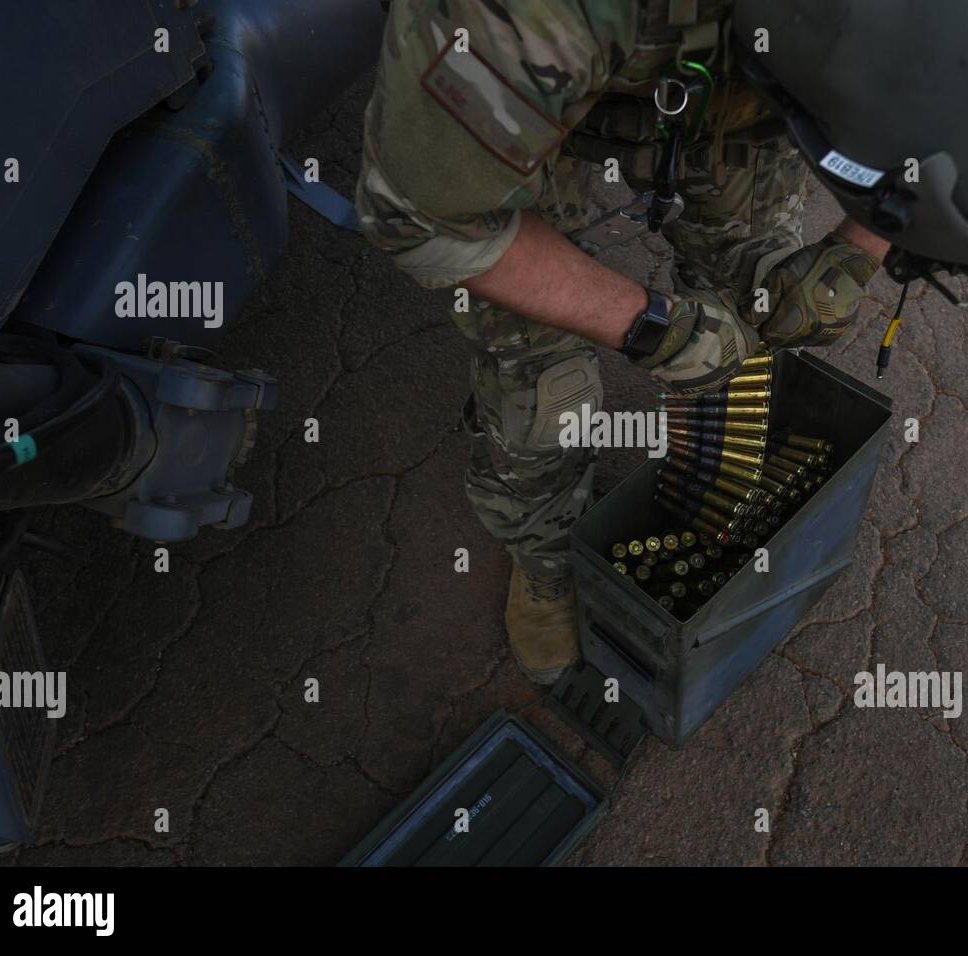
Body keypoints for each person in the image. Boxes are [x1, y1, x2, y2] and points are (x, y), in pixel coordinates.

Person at [355, 1, 888, 684]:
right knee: (549, 392)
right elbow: (423, 218)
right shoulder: (528, 17)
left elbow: (949, 146)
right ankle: (545, 560)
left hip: (739, 92)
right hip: (552, 101)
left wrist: (857, 252)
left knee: (764, 299)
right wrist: (653, 328)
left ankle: (715, 489)